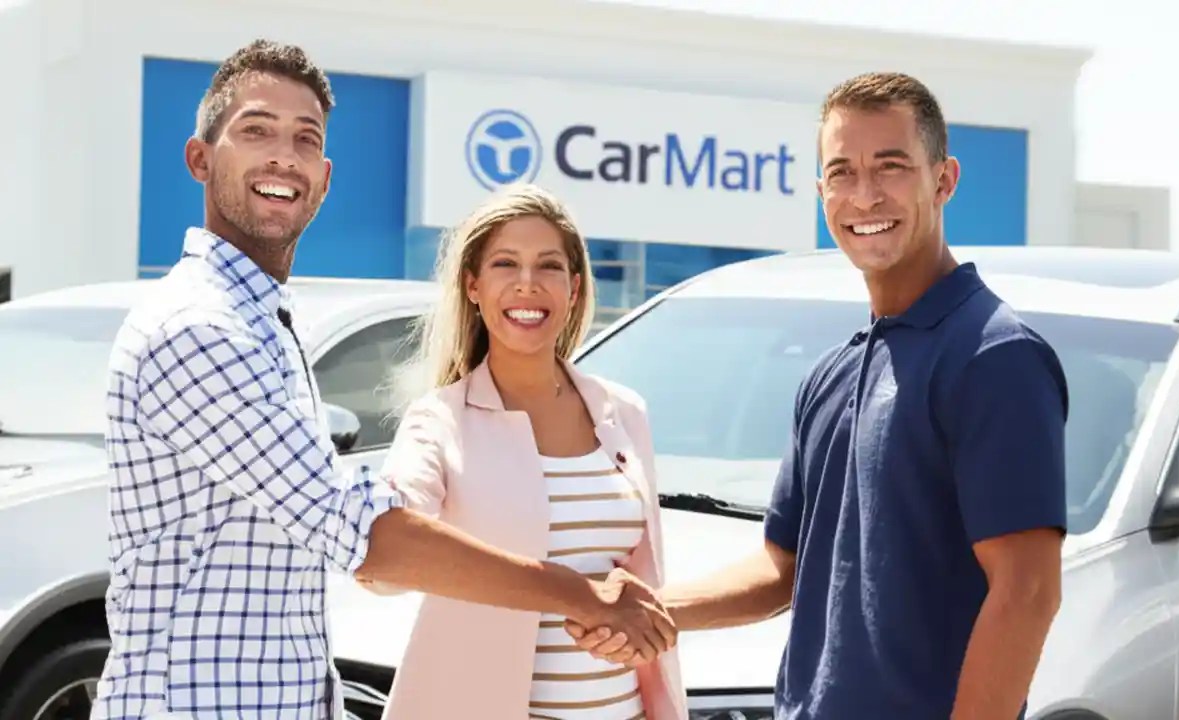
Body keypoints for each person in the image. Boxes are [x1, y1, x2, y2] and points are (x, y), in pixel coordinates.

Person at [93, 39, 672, 720]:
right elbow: (363, 536)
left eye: (304, 139)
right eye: (256, 131)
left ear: (325, 177)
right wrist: (581, 594)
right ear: (199, 158)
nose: (283, 155)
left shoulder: (264, 322)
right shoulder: (200, 329)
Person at [570, 71, 1069, 719]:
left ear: (943, 179)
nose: (864, 196)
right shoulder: (832, 373)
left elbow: (1027, 591)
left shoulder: (994, 356)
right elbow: (783, 571)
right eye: (841, 173)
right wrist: (650, 606)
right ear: (820, 192)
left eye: (890, 167)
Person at [356, 182, 687, 720]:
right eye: (506, 264)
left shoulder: (624, 413)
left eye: (549, 266)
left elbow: (642, 591)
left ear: (574, 288)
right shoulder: (439, 421)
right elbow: (382, 563)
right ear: (473, 286)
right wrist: (570, 591)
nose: (528, 285)